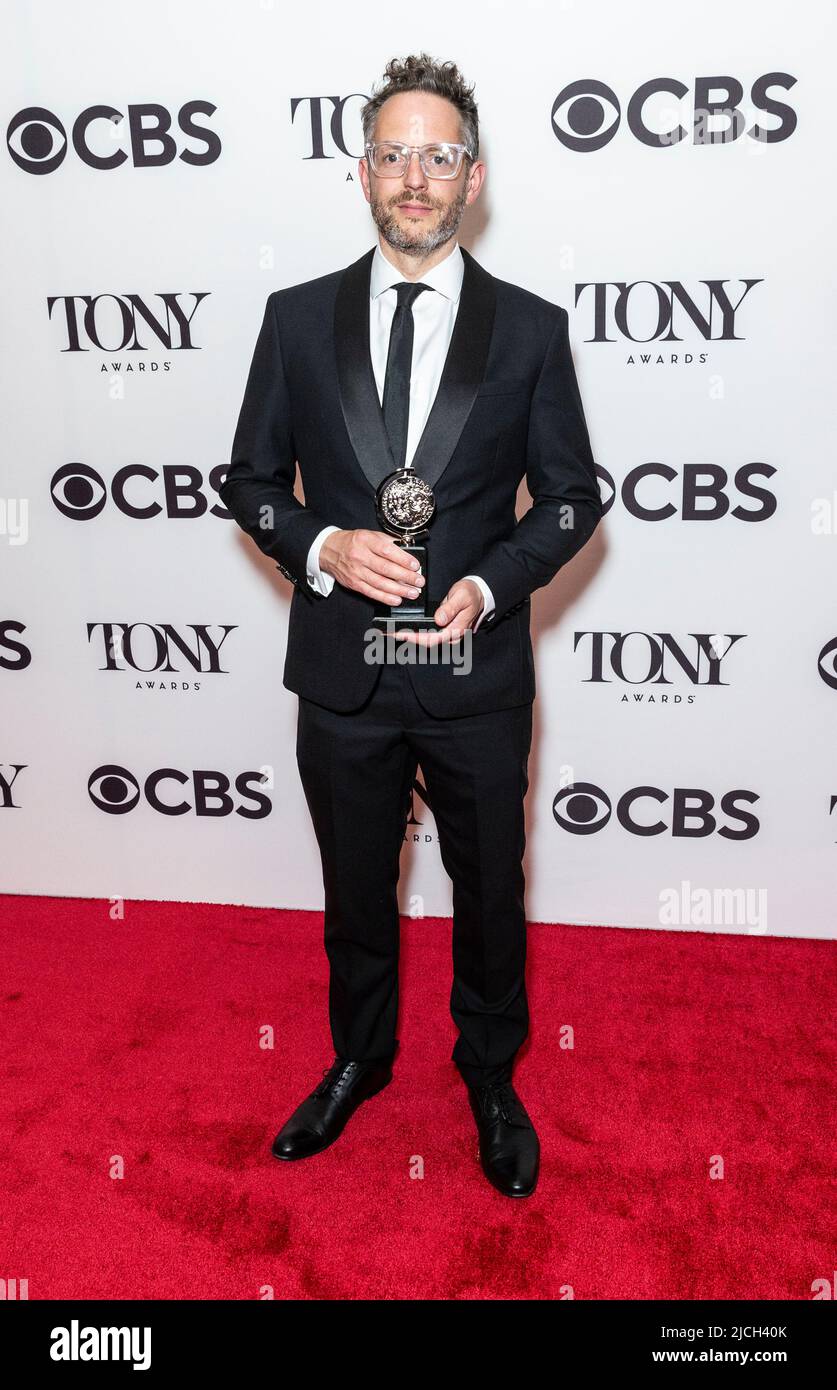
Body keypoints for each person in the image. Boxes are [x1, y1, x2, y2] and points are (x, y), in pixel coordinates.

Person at [220, 52, 602, 1197]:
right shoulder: (295, 320)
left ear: (473, 177)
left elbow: (575, 494)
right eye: (395, 153)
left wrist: (491, 581)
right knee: (354, 884)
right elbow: (247, 481)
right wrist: (322, 547)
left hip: (474, 668)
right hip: (342, 668)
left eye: (440, 154)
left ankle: (490, 1075)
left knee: (490, 885)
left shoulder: (530, 330)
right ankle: (358, 1058)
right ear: (363, 173)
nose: (417, 175)